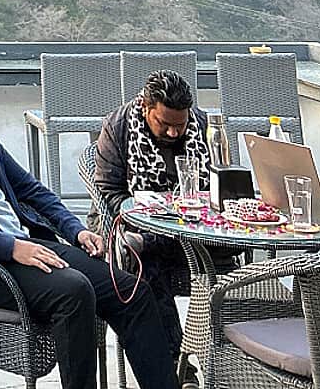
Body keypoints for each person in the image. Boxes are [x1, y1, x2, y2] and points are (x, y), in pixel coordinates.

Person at [0, 39, 178, 389]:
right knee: (74, 292)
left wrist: (74, 231)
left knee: (131, 291)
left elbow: (28, 188)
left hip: (21, 246)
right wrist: (10, 247)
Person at [93, 69, 235, 389]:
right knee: (144, 264)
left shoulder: (202, 126)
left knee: (229, 253)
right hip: (140, 226)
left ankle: (231, 360)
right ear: (146, 108)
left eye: (179, 125)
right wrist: (150, 211)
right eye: (164, 124)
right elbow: (111, 194)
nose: (173, 132)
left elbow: (223, 182)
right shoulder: (118, 128)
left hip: (192, 227)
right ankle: (175, 368)